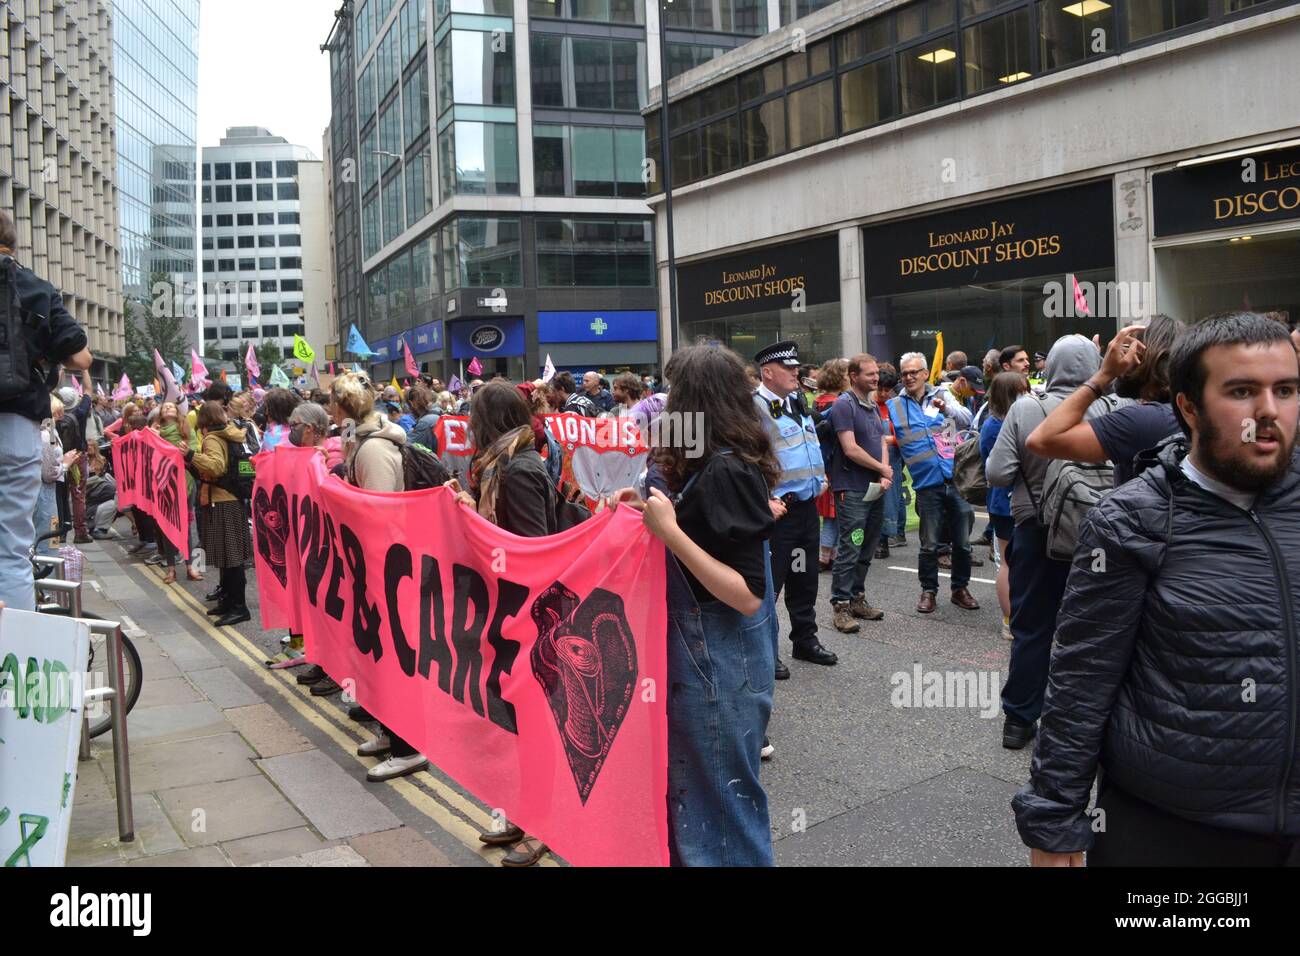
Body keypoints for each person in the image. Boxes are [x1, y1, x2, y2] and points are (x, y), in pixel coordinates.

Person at [1015, 312, 1300, 866]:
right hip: (1174, 832)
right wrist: (1054, 820)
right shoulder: (1132, 519)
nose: (1268, 411)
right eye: (1241, 391)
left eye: (1286, 389)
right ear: (1188, 407)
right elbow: (1082, 678)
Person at [616, 344, 779, 866]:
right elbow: (712, 532)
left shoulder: (727, 470)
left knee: (723, 812)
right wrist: (651, 513)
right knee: (705, 806)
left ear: (694, 403)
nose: (663, 408)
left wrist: (670, 533)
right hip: (710, 659)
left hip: (719, 661)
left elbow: (748, 594)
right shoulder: (715, 464)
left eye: (673, 394)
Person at [986, 334, 1129, 749]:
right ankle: (1086, 719)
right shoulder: (1118, 407)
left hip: (1038, 531)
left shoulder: (1027, 407)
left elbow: (997, 473)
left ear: (1051, 368)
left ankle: (1019, 720)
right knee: (1096, 629)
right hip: (1105, 534)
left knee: (1032, 627)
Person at [452, 382, 557, 866]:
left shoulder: (517, 469)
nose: (469, 424)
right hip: (512, 611)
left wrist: (474, 518)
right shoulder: (501, 463)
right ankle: (525, 813)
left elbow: (534, 550)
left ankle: (544, 827)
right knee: (519, 725)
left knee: (537, 725)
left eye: (475, 416)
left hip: (530, 617)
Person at [324, 372, 431, 783]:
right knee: (376, 653)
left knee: (392, 655)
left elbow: (381, 514)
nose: (330, 409)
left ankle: (409, 749)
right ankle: (391, 734)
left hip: (386, 567)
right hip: (371, 565)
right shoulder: (361, 442)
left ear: (344, 407)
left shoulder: (372, 450)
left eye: (333, 403)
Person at [0, 211, 93, 610]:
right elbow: (83, 358)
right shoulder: (35, 288)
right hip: (17, 430)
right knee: (12, 552)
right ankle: (13, 660)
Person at [753, 341, 836, 676]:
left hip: (805, 509)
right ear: (767, 372)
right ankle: (765, 650)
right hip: (778, 512)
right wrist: (763, 500)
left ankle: (805, 640)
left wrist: (821, 475)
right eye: (788, 368)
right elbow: (748, 460)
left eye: (796, 367)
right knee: (771, 584)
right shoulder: (752, 408)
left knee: (804, 578)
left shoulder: (797, 401)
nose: (795, 372)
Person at [1026, 315, 1185, 487]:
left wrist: (1104, 374)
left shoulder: (1145, 420)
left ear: (1140, 356)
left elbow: (1042, 440)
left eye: (1127, 348)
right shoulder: (1189, 413)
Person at [887, 352, 977, 614]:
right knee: (929, 544)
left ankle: (959, 589)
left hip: (955, 479)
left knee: (962, 543)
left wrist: (945, 408)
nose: (909, 377)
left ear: (926, 373)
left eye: (914, 372)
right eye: (905, 373)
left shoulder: (944, 395)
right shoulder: (895, 405)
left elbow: (966, 421)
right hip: (927, 484)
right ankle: (928, 591)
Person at [828, 354, 894, 633]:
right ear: (854, 376)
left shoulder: (871, 405)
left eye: (876, 373)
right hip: (851, 488)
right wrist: (882, 468)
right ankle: (841, 606)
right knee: (850, 547)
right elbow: (850, 449)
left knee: (867, 546)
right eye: (869, 374)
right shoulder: (844, 405)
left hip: (874, 487)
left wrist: (884, 472)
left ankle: (857, 598)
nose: (876, 378)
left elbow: (880, 439)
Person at [187, 401, 252, 626]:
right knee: (227, 557)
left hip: (223, 501)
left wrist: (190, 455)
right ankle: (228, 601)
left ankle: (239, 607)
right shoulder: (231, 434)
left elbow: (215, 467)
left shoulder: (213, 438)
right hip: (232, 499)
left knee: (231, 559)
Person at [979, 372, 1028, 641]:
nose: (1027, 395)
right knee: (1008, 562)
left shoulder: (1002, 421)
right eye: (1021, 391)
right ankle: (1010, 620)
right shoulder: (996, 426)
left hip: (1010, 500)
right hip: (1004, 502)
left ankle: (1017, 617)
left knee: (1019, 561)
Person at [154, 401, 203, 585]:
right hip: (164, 482)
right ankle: (171, 568)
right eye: (164, 407)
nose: (168, 408)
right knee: (168, 525)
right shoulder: (156, 431)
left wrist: (184, 452)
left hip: (186, 481)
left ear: (177, 411)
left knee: (186, 525)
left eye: (171, 406)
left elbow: (193, 449)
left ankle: (192, 567)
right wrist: (153, 432)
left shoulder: (185, 427)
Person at [813, 359, 849, 570]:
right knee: (832, 516)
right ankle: (825, 556)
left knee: (830, 515)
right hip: (834, 465)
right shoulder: (839, 404)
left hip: (821, 464)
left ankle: (829, 554)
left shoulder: (817, 401)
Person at [259, 387, 299, 452]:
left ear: (271, 411)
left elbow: (263, 459)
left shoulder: (271, 435)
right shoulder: (300, 429)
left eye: (266, 408)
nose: (265, 412)